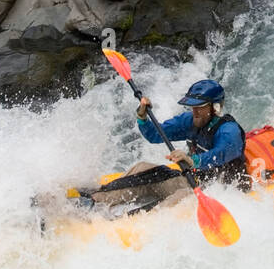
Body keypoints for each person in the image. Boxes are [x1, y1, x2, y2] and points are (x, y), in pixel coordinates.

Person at [87, 79, 250, 209]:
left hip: (221, 190)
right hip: (192, 180)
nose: (194, 112)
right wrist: (143, 118)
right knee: (142, 169)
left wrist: (193, 161)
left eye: (199, 107)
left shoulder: (229, 131)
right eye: (192, 107)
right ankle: (96, 200)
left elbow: (220, 155)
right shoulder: (190, 120)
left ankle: (133, 225)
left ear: (215, 107)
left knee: (179, 200)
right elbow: (155, 135)